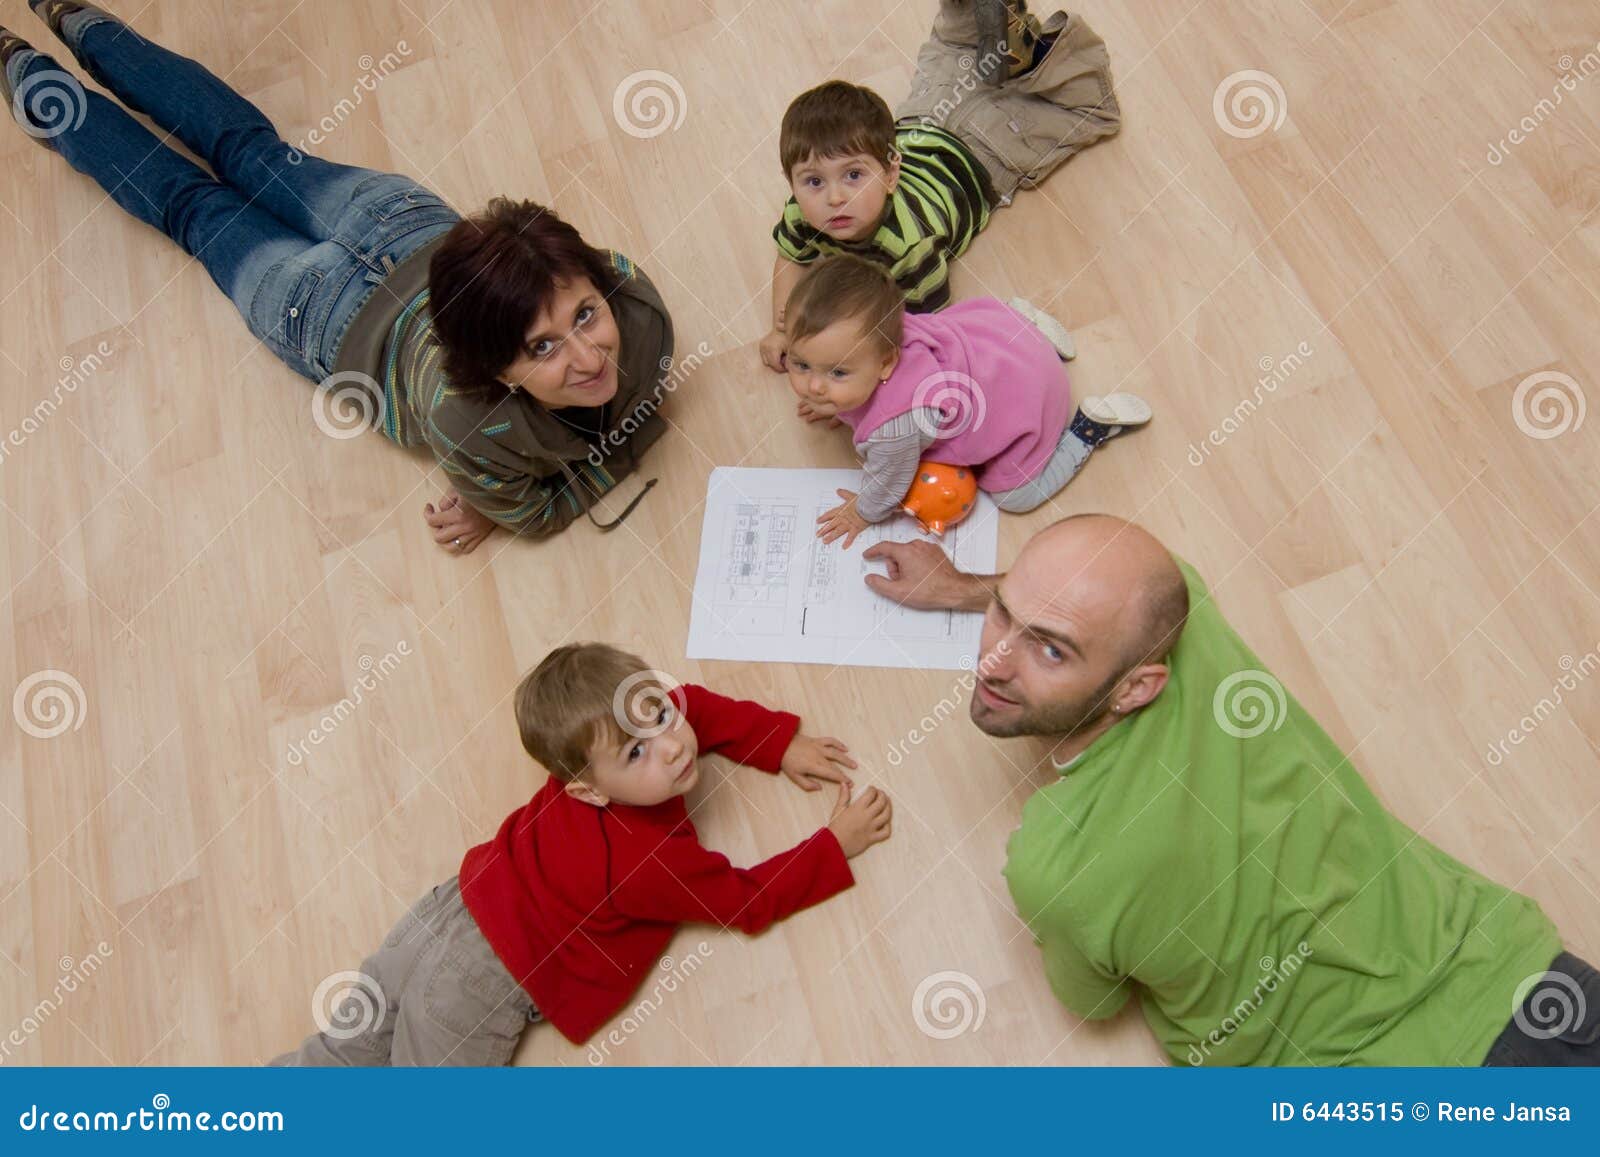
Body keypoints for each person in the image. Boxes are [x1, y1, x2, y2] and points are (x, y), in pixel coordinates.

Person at [862, 515, 1600, 1065]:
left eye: (1049, 649)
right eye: (1005, 612)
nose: (993, 659)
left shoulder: (1056, 865)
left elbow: (1096, 1002)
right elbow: (1108, 576)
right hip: (1528, 979)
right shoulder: (1181, 609)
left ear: (1136, 687)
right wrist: (962, 587)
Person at [1, 2, 672, 555]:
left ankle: (67, 24)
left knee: (247, 152)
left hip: (398, 230)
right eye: (542, 346)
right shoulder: (474, 419)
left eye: (584, 315)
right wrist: (572, 472)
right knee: (192, 210)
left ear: (596, 286)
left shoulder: (636, 310)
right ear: (491, 369)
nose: (589, 357)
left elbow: (534, 496)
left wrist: (506, 487)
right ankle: (24, 70)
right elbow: (535, 514)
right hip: (321, 313)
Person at [272, 642, 893, 1064]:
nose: (672, 746)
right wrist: (831, 847)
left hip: (438, 917)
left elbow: (691, 704)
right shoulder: (645, 862)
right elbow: (745, 901)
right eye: (635, 753)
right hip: (473, 985)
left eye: (657, 715)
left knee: (336, 1057)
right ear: (587, 790)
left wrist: (774, 741)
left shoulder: (593, 752)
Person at [760, 0, 1121, 369]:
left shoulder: (910, 248)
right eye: (814, 181)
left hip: (981, 161)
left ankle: (1043, 55)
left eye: (853, 176)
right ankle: (978, 22)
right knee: (947, 55)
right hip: (918, 126)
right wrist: (784, 330)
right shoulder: (801, 211)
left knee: (1091, 111)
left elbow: (927, 330)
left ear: (890, 173)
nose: (835, 198)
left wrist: (846, 374)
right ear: (792, 181)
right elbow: (790, 256)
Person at [781, 255, 1149, 546]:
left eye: (837, 373)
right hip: (1001, 339)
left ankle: (1088, 430)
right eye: (800, 364)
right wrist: (841, 402)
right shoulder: (880, 334)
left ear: (886, 363)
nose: (813, 386)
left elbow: (889, 485)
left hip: (1028, 398)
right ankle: (1027, 322)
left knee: (1017, 497)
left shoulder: (894, 428)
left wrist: (862, 513)